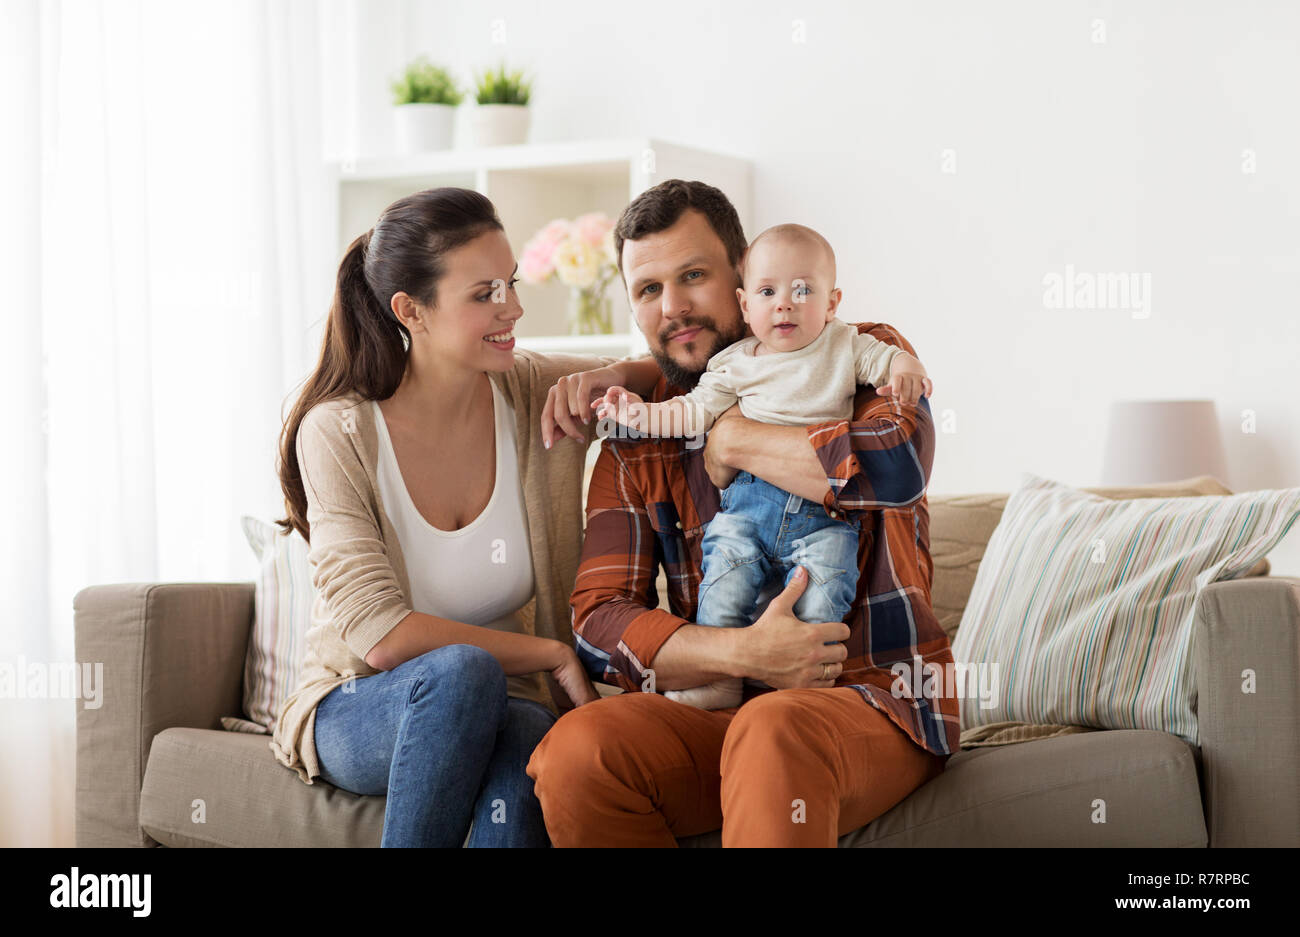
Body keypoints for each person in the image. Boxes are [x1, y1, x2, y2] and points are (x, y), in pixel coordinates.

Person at [527, 179, 962, 847]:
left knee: (775, 728)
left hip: (873, 700)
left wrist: (732, 438)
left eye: (692, 276)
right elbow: (598, 622)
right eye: (648, 290)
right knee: (578, 750)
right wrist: (743, 652)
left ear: (742, 277)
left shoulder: (848, 353)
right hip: (721, 711)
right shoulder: (640, 434)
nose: (673, 306)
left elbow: (898, 464)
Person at [269, 187, 660, 847]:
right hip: (361, 705)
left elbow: (677, 376)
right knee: (466, 674)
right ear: (410, 311)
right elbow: (380, 635)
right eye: (484, 294)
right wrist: (549, 653)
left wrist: (616, 372)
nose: (513, 307)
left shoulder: (532, 391)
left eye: (509, 283)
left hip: (510, 704)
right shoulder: (338, 431)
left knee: (531, 737)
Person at [594, 221, 933, 709]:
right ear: (747, 301)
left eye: (803, 290)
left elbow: (899, 464)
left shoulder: (846, 345)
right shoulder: (732, 364)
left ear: (832, 302)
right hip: (747, 513)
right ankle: (719, 679)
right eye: (768, 292)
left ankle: (806, 689)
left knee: (823, 593)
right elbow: (691, 411)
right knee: (724, 578)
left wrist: (907, 371)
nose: (785, 304)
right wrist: (637, 412)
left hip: (826, 524)